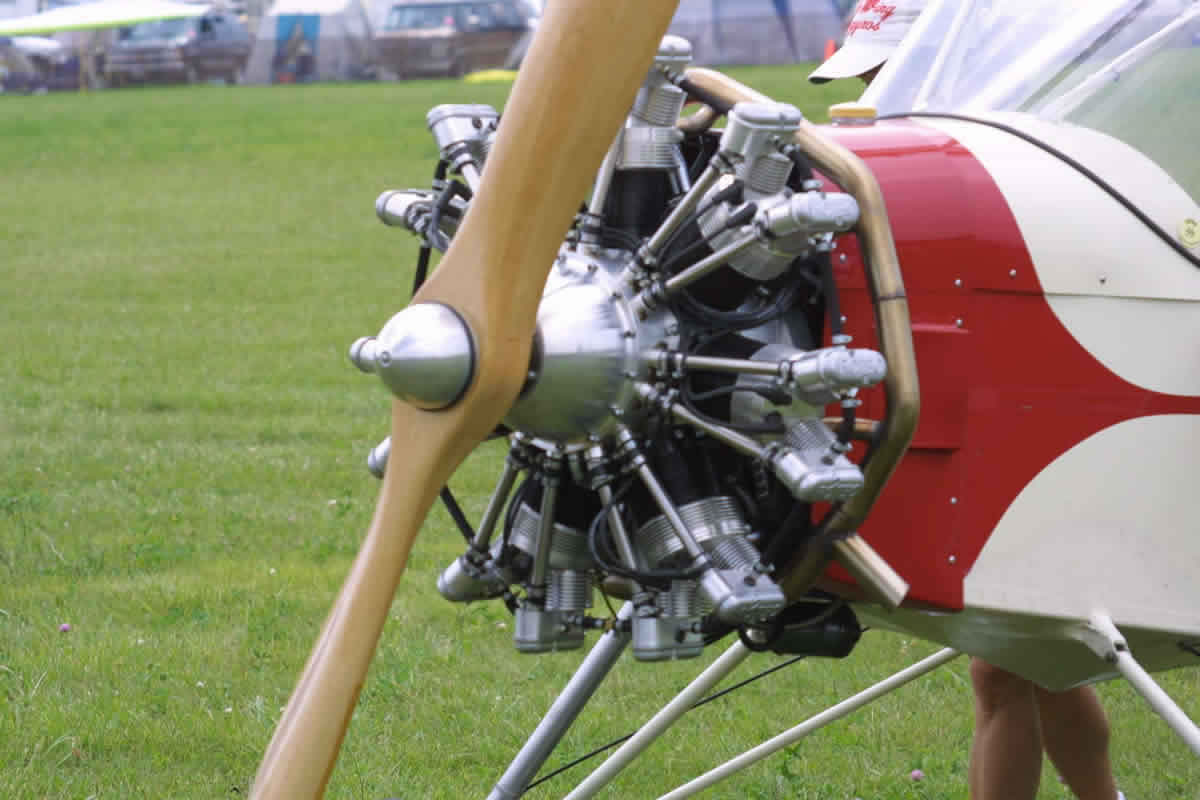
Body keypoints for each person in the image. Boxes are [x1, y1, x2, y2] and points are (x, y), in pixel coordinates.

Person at [808, 4, 1124, 799]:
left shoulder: (1007, 139)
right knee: (1019, 659)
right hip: (974, 404)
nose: (876, 92)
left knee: (1012, 655)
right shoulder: (897, 147)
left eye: (888, 71)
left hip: (1045, 401)